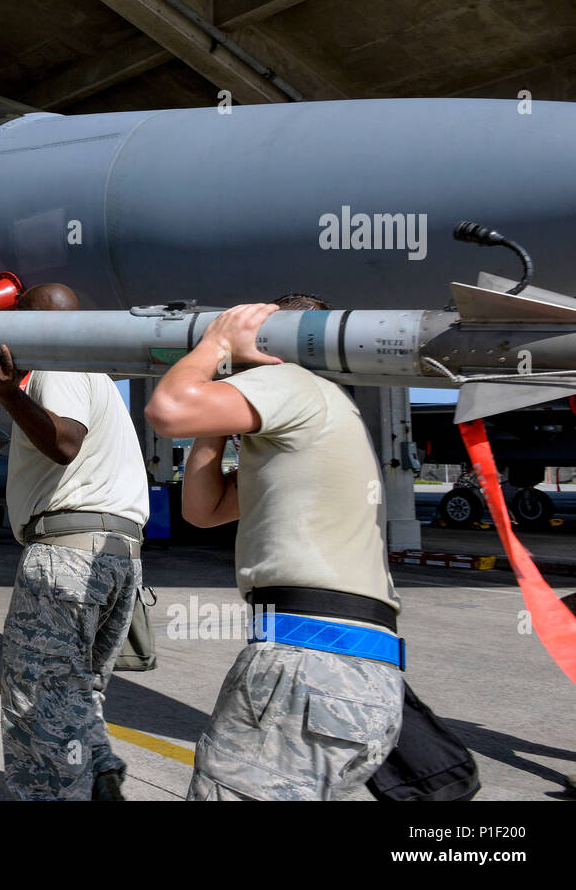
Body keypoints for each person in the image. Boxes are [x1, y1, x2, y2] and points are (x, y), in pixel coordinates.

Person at [145, 295, 405, 801]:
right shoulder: (323, 413)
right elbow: (205, 511)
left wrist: (215, 344)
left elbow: (169, 410)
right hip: (349, 671)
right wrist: (218, 416)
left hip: (308, 663)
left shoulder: (294, 383)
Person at [0, 282, 150, 800]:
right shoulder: (99, 378)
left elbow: (63, 444)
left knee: (39, 706)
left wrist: (6, 392)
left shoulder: (58, 364)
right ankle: (97, 773)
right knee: (76, 692)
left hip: (67, 556)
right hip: (117, 556)